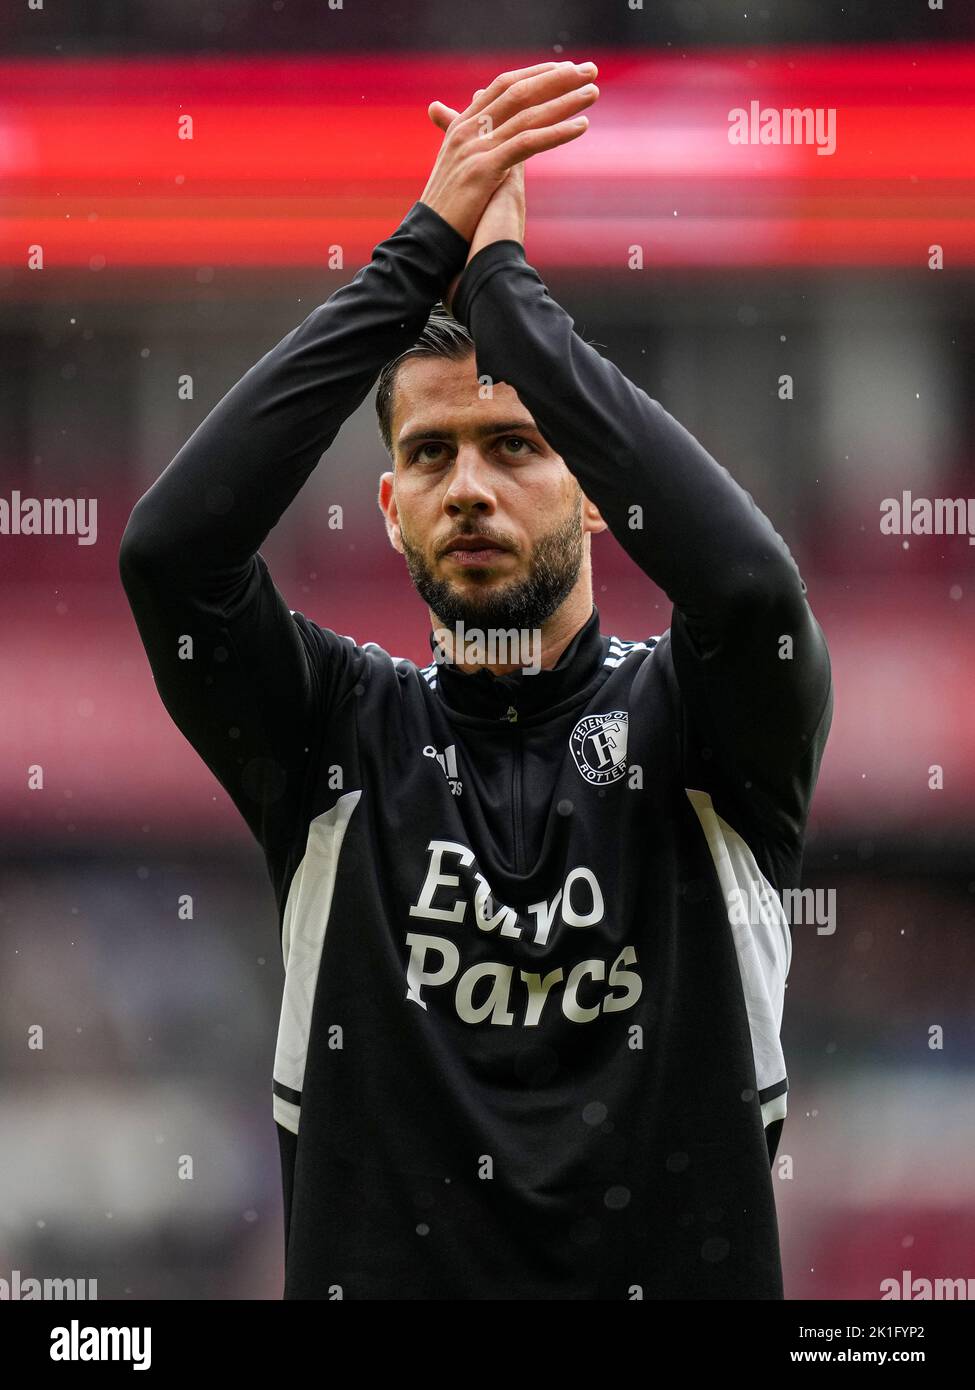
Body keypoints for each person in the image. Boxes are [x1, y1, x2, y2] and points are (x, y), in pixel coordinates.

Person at [119, 60, 833, 1300]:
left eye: (516, 446)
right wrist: (419, 257)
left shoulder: (707, 727)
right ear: (390, 512)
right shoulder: (335, 733)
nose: (468, 488)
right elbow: (169, 556)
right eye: (431, 454)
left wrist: (510, 299)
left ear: (604, 494)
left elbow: (756, 593)